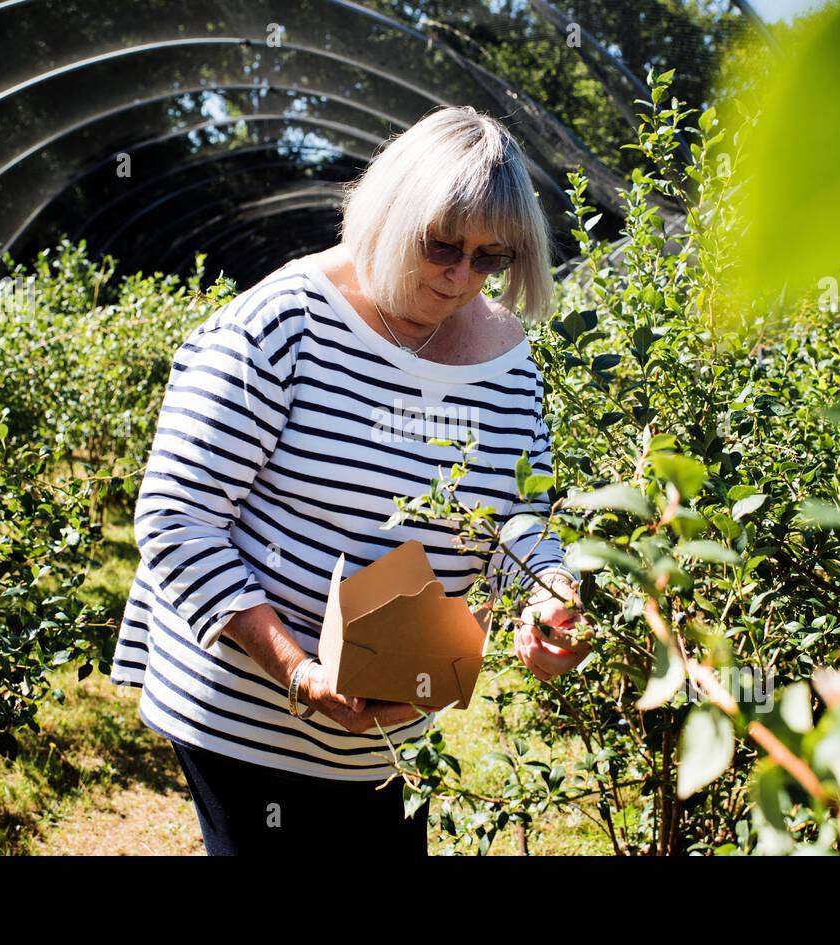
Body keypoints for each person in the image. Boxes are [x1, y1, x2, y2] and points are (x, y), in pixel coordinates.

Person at [109, 105, 592, 857]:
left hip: (395, 719)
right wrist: (299, 673)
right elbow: (178, 520)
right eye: (442, 246)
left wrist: (547, 591)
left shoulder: (510, 365)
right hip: (246, 710)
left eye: (489, 258)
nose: (462, 276)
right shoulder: (284, 323)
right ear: (394, 215)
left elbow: (518, 516)